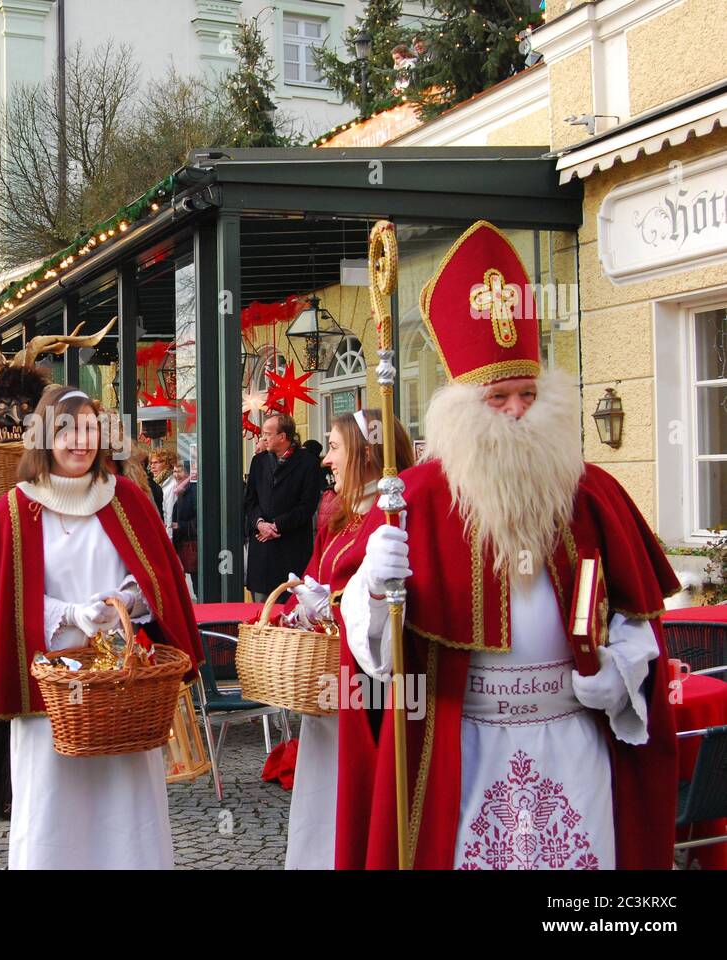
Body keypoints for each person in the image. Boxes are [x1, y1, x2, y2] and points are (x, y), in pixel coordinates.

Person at [339, 221, 680, 869]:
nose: (518, 411)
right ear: (465, 406)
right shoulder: (413, 498)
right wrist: (373, 589)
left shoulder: (591, 493)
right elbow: (371, 662)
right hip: (465, 748)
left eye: (528, 394)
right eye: (499, 397)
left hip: (574, 738)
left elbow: (637, 620)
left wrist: (621, 676)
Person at [0, 383, 203, 869]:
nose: (80, 441)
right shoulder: (15, 510)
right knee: (54, 807)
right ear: (43, 437)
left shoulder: (124, 498)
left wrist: (124, 599)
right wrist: (68, 613)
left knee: (127, 802)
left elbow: (157, 577)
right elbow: (1, 602)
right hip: (51, 696)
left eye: (88, 429)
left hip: (120, 688)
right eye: (67, 430)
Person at [279, 409, 413, 869]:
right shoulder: (335, 510)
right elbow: (318, 573)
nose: (325, 459)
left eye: (334, 447)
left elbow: (393, 603)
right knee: (322, 783)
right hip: (324, 677)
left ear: (366, 450)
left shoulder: (391, 511)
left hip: (367, 683)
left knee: (356, 783)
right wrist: (304, 607)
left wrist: (330, 605)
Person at [244, 413, 323, 603]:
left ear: (283, 437)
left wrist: (276, 526)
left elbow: (307, 506)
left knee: (290, 610)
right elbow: (249, 500)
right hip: (262, 548)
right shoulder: (259, 461)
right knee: (261, 610)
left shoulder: (308, 463)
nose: (263, 438)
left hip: (291, 551)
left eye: (268, 434)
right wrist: (260, 523)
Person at [169, 460, 197, 582]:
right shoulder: (180, 490)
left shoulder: (193, 490)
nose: (176, 475)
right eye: (174, 471)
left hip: (193, 544)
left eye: (180, 471)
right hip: (183, 543)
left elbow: (199, 518)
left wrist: (180, 525)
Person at [150, 448, 179, 530]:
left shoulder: (172, 485)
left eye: (156, 463)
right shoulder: (160, 483)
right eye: (151, 463)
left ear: (167, 464)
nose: (152, 466)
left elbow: (169, 517)